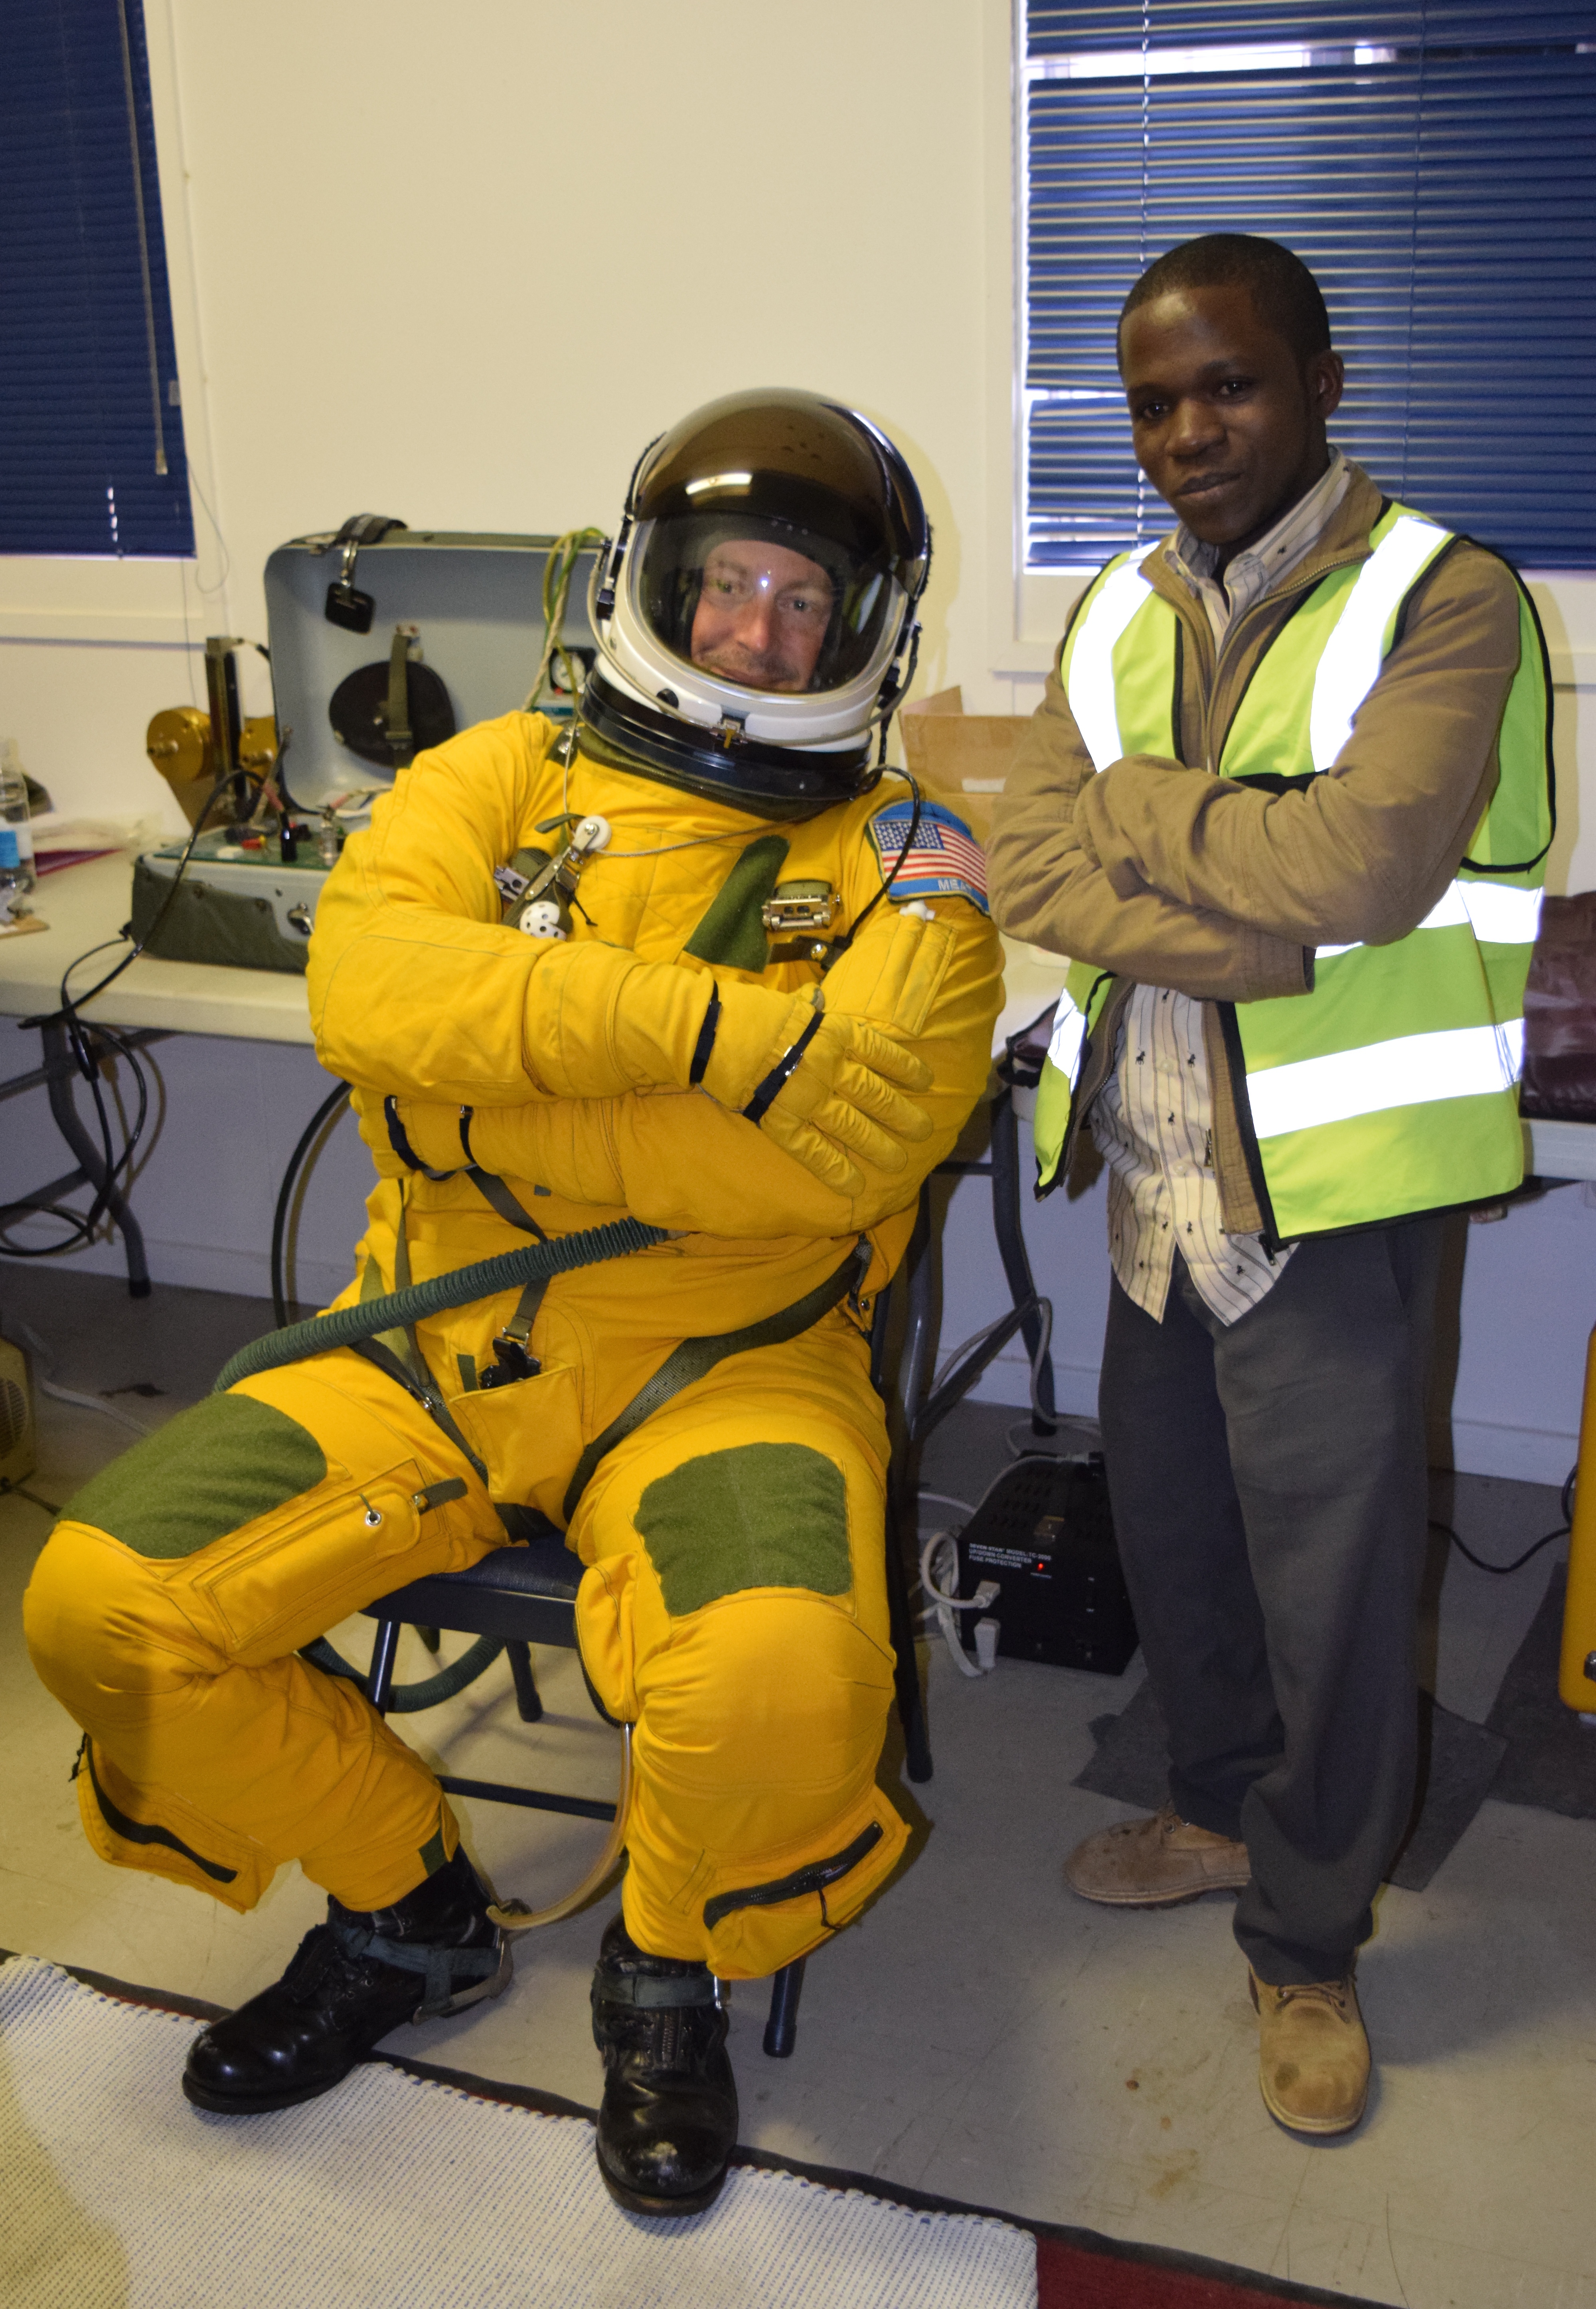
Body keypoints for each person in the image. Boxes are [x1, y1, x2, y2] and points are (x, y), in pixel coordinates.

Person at [24, 388, 1001, 2215]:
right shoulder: (496, 778)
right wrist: (711, 1036)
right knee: (104, 1604)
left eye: (807, 602)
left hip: (729, 1368)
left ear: (868, 632)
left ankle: (662, 1965)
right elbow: (369, 987)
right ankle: (406, 1911)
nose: (757, 634)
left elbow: (839, 1169)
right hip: (428, 1343)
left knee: (787, 1666)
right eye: (728, 585)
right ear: (656, 584)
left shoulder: (910, 866)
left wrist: (486, 1104)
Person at [988, 236, 1551, 2137]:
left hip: (1327, 1186)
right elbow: (1026, 865)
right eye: (1153, 400)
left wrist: (1143, 825)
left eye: (1226, 384)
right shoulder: (1114, 611)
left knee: (1334, 1583)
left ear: (1320, 374)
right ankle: (1220, 1809)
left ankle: (1309, 1938)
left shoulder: (1448, 601)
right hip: (1152, 1164)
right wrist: (1226, 905)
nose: (1185, 432)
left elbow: (1358, 881)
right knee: (1178, 1534)